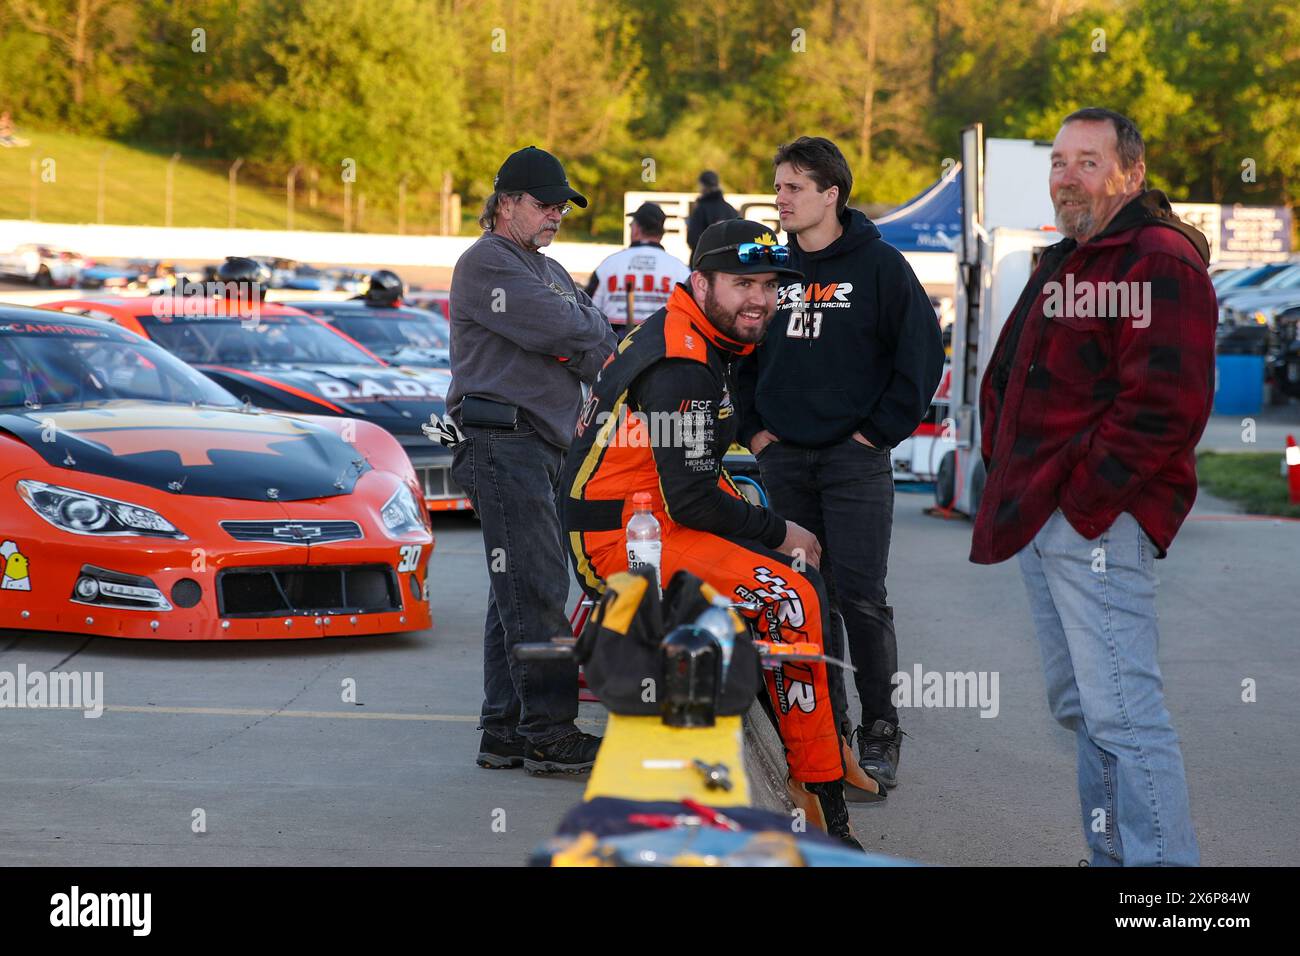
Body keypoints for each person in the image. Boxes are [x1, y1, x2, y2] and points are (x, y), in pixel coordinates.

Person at [561, 220, 885, 847]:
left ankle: (824, 751)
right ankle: (818, 795)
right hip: (624, 542)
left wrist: (773, 532)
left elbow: (693, 476)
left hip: (653, 516)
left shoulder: (703, 335)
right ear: (700, 281)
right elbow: (691, 495)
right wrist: (779, 528)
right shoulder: (683, 363)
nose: (758, 299)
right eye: (742, 283)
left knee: (798, 577)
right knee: (790, 597)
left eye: (768, 284)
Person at [971, 108, 1214, 866]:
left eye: (1087, 161)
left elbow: (1166, 404)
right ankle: (1112, 858)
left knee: (1124, 713)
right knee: (1084, 708)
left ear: (1131, 173)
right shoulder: (1072, 258)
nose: (1065, 176)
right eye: (1057, 161)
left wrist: (1083, 504)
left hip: (1096, 520)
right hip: (1047, 514)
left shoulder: (1156, 257)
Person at [736, 136, 944, 792]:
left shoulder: (881, 267)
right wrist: (756, 433)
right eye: (779, 185)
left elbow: (922, 356)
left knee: (862, 601)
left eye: (795, 186)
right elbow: (738, 348)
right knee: (803, 600)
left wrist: (875, 435)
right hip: (785, 461)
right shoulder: (770, 266)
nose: (782, 197)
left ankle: (882, 733)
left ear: (831, 195)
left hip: (855, 464)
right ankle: (829, 734)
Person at [447, 146, 618, 775]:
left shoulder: (544, 268)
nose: (556, 216)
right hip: (504, 442)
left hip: (535, 443)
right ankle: (548, 731)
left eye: (561, 207)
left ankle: (507, 729)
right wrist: (572, 336)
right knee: (540, 587)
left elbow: (594, 337)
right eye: (545, 204)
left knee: (514, 589)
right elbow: (572, 333)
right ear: (506, 203)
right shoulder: (488, 261)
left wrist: (574, 335)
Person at [584, 202, 690, 339]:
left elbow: (587, 309)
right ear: (661, 233)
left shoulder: (609, 264)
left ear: (636, 229)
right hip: (662, 346)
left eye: (631, 224)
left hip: (614, 347)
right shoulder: (679, 269)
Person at [685, 170, 738, 259]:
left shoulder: (701, 209)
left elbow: (692, 240)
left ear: (702, 185)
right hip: (728, 264)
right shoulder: (730, 209)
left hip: (705, 263)